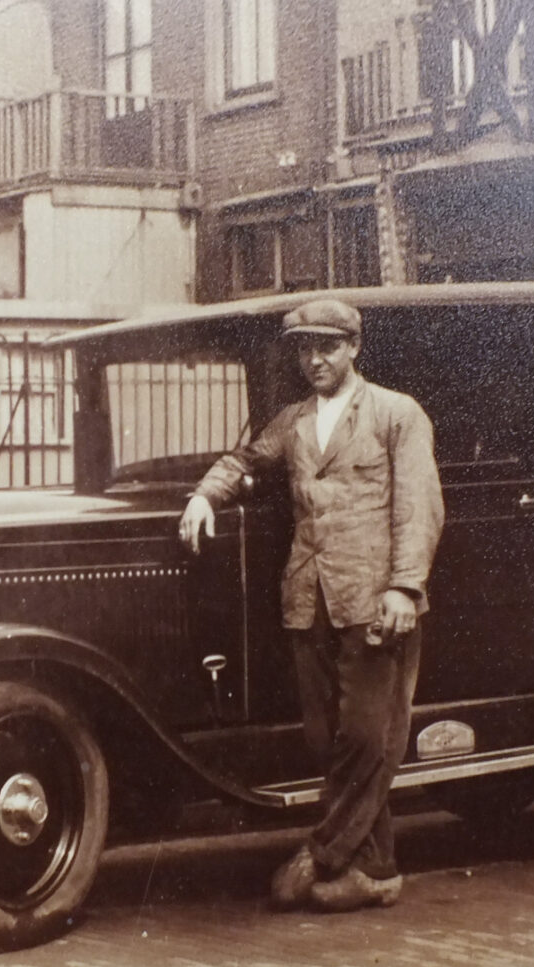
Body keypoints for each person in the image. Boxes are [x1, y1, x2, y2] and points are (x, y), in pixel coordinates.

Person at [179, 298, 444, 912]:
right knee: (329, 740)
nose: (314, 359)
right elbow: (246, 460)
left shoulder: (396, 414)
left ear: (355, 347)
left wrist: (405, 587)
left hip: (373, 598)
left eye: (327, 346)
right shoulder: (294, 421)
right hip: (308, 598)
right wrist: (204, 497)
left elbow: (419, 505)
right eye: (304, 348)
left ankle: (323, 854)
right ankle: (374, 870)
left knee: (366, 735)